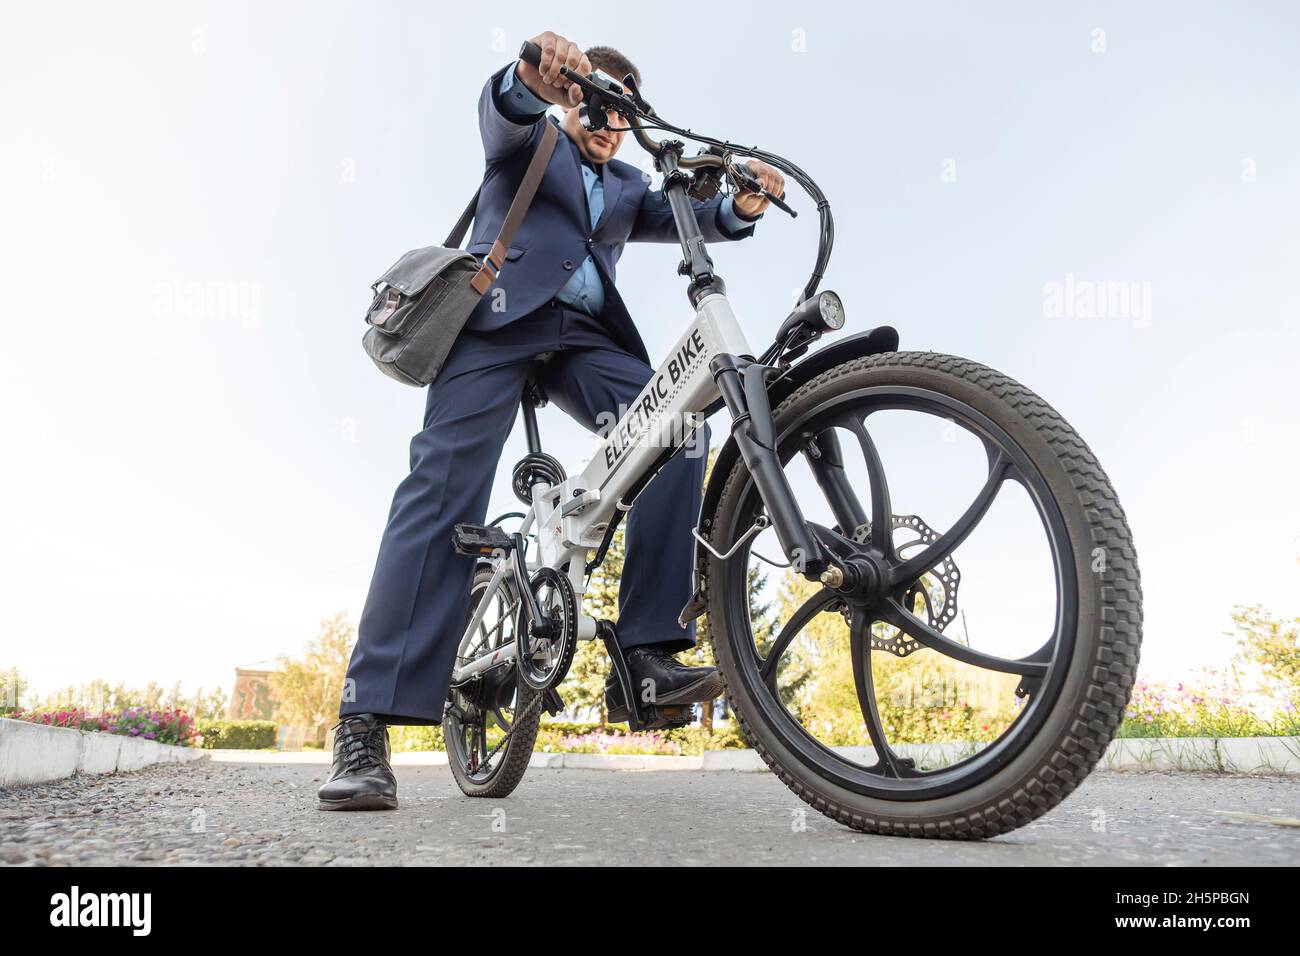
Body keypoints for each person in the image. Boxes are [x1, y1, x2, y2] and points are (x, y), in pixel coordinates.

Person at [319, 31, 783, 810]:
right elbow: (503, 104)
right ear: (574, 99)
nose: (607, 121)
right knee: (441, 492)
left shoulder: (631, 184)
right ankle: (364, 723)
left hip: (583, 346)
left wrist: (740, 206)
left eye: (621, 113)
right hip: (494, 329)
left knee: (680, 433)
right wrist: (535, 75)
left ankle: (645, 653)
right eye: (597, 101)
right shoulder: (528, 142)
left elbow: (696, 218)